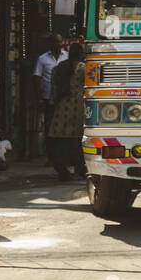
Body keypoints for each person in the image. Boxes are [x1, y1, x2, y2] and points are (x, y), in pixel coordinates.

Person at [46, 43, 87, 181]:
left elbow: (53, 86)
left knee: (61, 139)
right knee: (77, 139)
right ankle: (79, 168)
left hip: (62, 106)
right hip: (78, 107)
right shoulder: (83, 68)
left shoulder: (61, 66)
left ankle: (61, 168)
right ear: (81, 53)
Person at [33, 34, 67, 155]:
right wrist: (40, 97)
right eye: (55, 42)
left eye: (60, 42)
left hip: (63, 98)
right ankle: (50, 153)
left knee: (63, 125)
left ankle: (61, 153)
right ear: (50, 44)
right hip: (48, 98)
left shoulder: (66, 57)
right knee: (50, 125)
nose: (58, 44)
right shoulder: (42, 59)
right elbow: (38, 78)